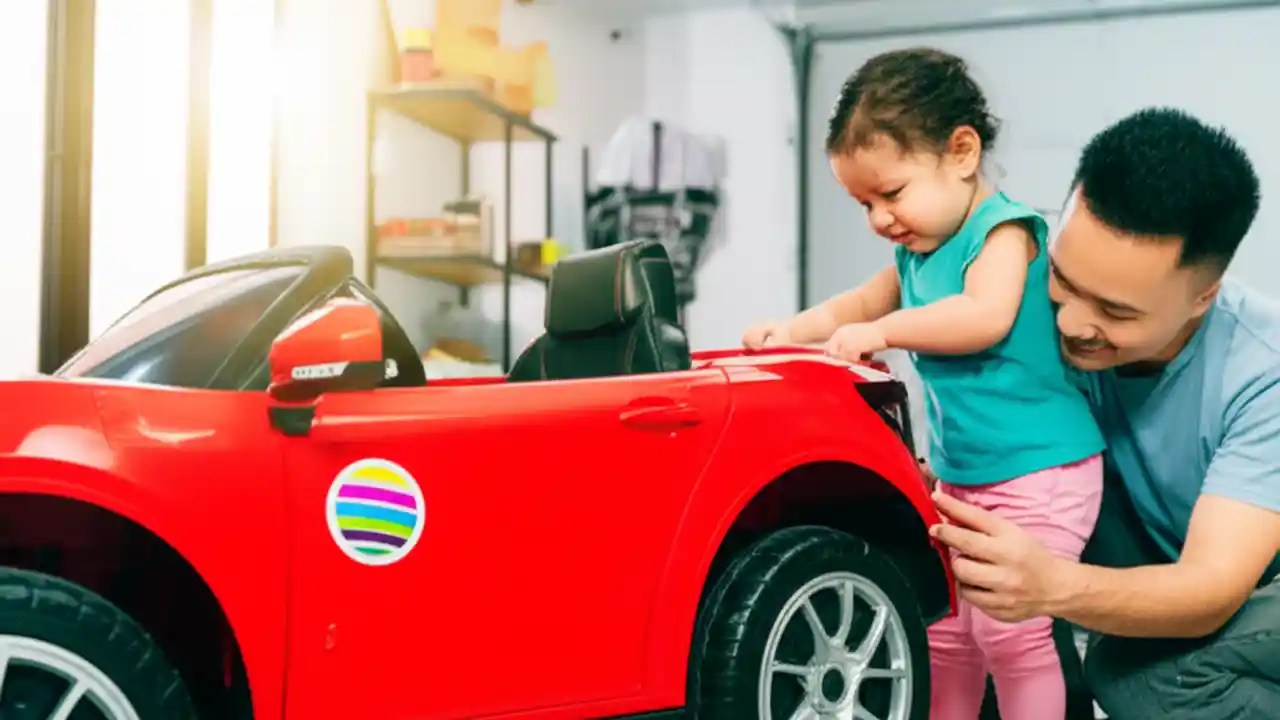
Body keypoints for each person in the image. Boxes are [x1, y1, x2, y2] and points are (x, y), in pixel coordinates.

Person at [741, 47, 1106, 719]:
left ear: (961, 153)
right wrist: (792, 329)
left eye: (892, 193)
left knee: (1011, 633)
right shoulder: (914, 255)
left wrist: (887, 332)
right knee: (944, 631)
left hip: (1044, 472)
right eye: (864, 202)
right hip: (968, 477)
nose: (880, 217)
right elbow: (852, 305)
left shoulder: (1003, 233)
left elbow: (984, 317)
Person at [929, 106, 1280, 720]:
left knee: (1136, 675)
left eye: (1115, 313)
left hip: (1260, 591)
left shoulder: (1262, 371)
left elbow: (1211, 590)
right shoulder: (1012, 264)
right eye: (1064, 279)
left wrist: (1052, 585)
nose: (1068, 324)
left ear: (1203, 297)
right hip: (1152, 555)